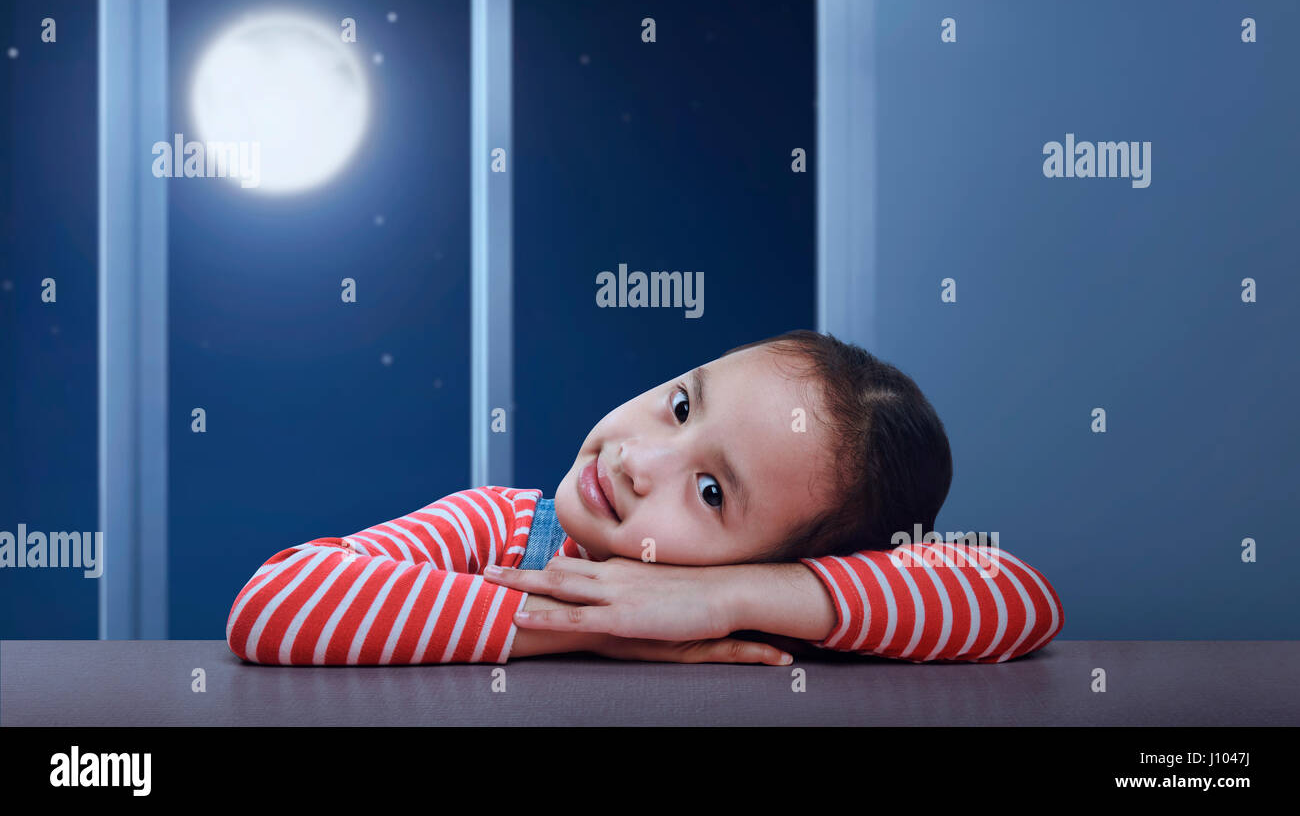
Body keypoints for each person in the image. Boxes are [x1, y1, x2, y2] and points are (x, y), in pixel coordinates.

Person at [226, 330, 1062, 667]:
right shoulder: (505, 525)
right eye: (683, 405)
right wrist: (595, 632)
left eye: (709, 491)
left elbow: (1019, 595)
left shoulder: (768, 612)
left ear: (797, 560)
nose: (638, 461)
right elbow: (273, 605)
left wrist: (722, 599)